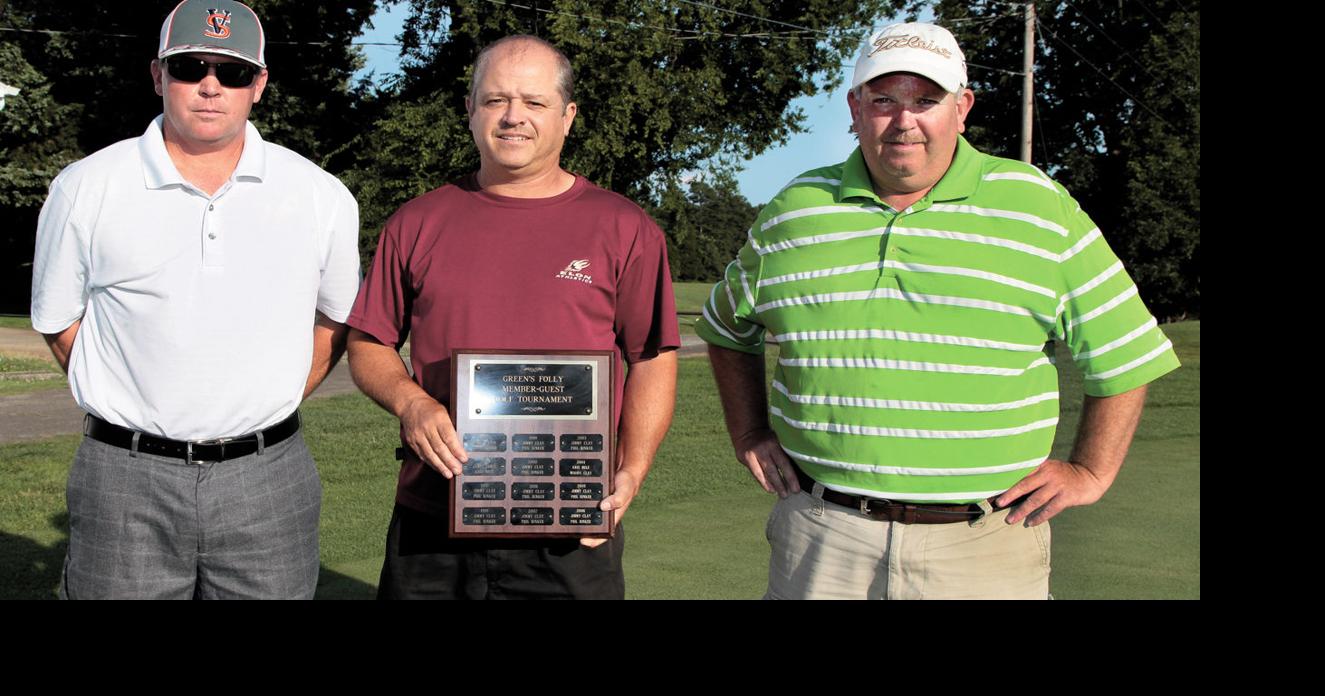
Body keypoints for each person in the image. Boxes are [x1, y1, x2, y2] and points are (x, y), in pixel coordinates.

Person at [698, 22, 1180, 600]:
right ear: (854, 107)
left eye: (926, 101)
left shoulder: (1038, 207)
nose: (904, 121)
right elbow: (727, 328)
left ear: (963, 107)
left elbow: (1126, 349)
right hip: (824, 536)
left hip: (986, 541)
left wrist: (1091, 472)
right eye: (883, 100)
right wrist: (750, 430)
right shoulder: (796, 211)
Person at [29, 0, 361, 599]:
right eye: (189, 67)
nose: (210, 86)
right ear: (158, 75)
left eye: (232, 72)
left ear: (258, 84)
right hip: (123, 478)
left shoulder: (320, 194)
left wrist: (269, 398)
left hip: (268, 476)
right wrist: (139, 402)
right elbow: (59, 322)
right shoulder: (86, 186)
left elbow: (335, 319)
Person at [346, 35, 679, 600]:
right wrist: (412, 403)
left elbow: (651, 356)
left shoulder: (625, 227)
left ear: (568, 117)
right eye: (495, 99)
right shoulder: (418, 221)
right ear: (471, 112)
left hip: (571, 522)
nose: (513, 117)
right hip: (434, 514)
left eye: (534, 102)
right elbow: (369, 342)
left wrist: (634, 468)